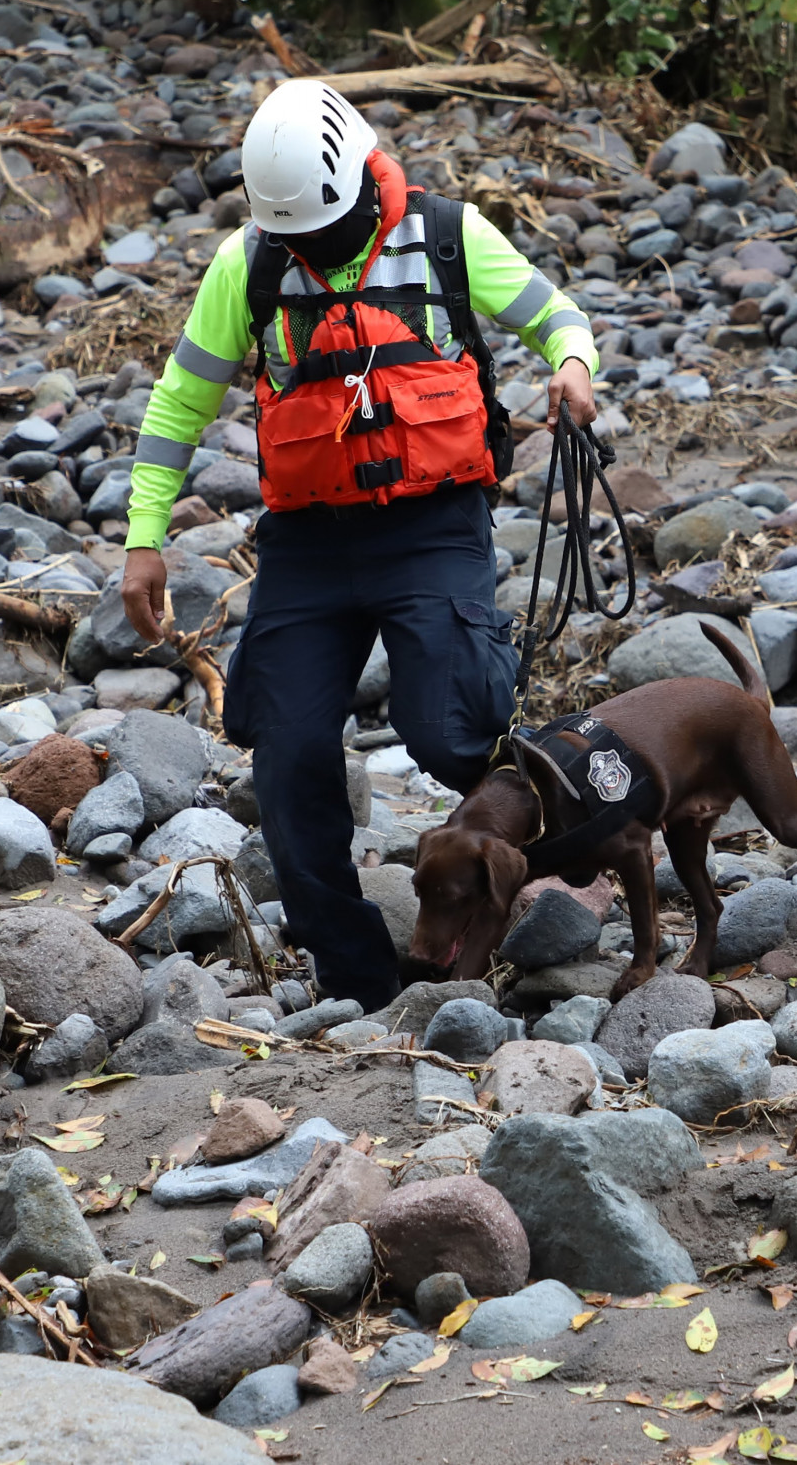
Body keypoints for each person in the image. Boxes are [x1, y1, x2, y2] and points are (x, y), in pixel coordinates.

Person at [118, 79, 598, 1012]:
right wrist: (145, 539)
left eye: (322, 234)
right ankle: (360, 981)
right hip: (308, 543)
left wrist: (573, 366)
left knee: (450, 727)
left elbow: (557, 317)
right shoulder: (247, 265)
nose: (308, 251)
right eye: (292, 236)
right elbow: (180, 402)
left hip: (433, 527)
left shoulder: (450, 233)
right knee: (289, 755)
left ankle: (592, 846)